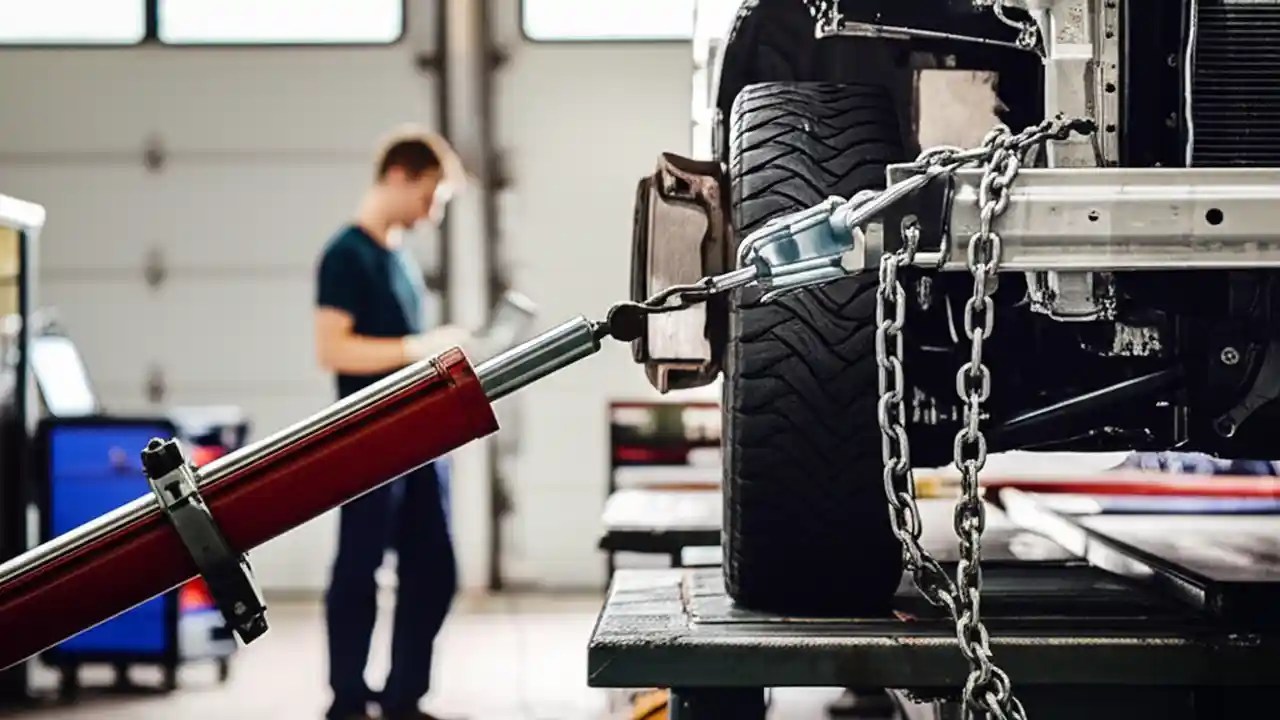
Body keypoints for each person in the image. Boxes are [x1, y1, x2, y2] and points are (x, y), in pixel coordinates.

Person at [314, 125, 472, 720]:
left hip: (419, 440)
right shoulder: (345, 255)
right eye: (430, 196)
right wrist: (418, 346)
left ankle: (405, 697)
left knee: (434, 567)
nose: (432, 213)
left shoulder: (400, 260)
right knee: (360, 568)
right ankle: (347, 701)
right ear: (400, 176)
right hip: (368, 441)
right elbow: (335, 349)